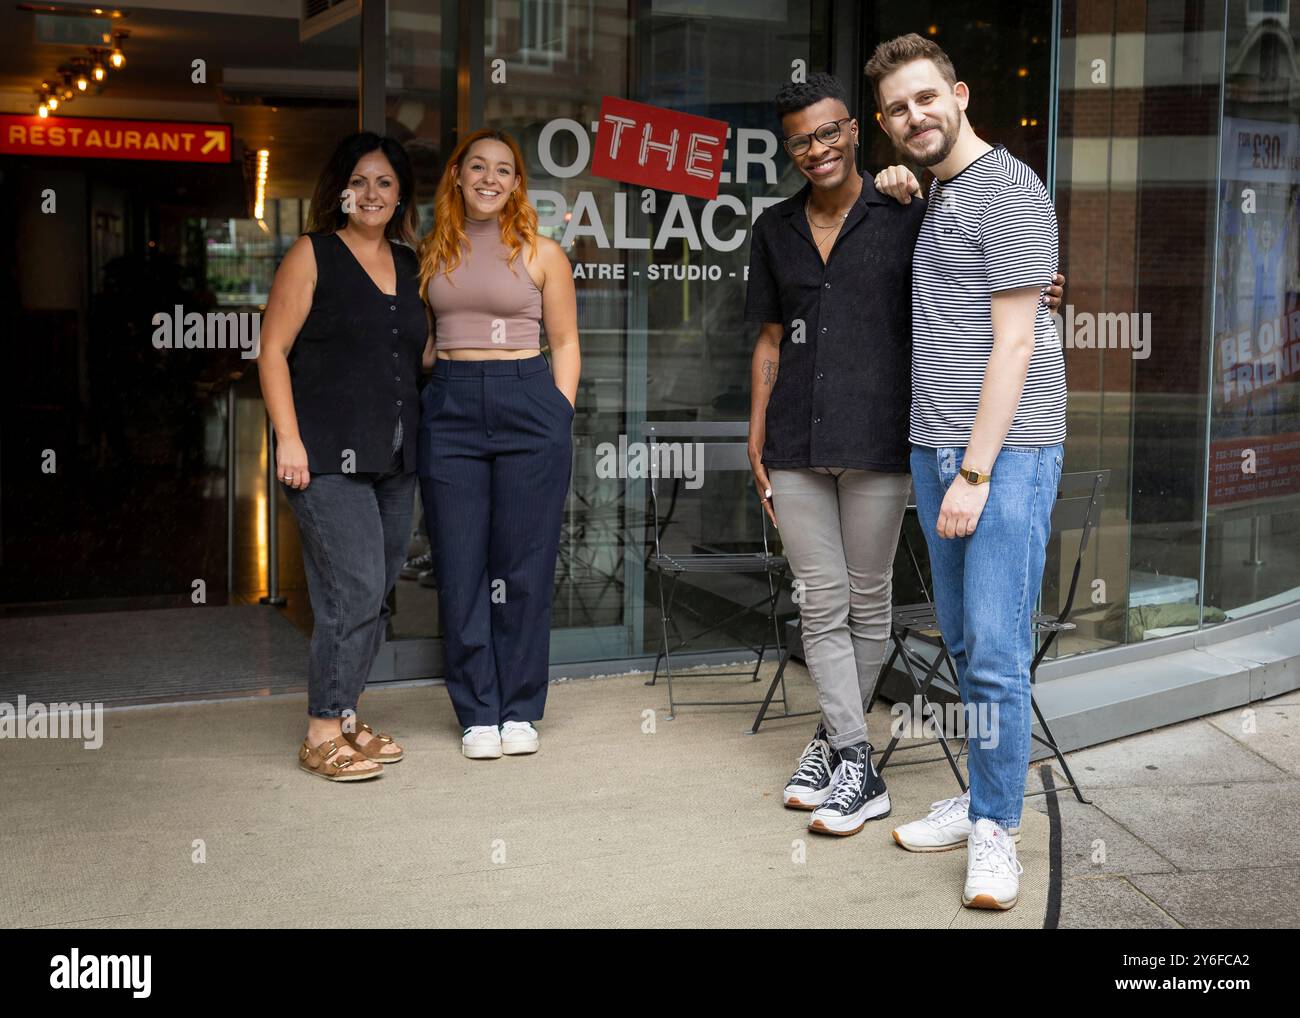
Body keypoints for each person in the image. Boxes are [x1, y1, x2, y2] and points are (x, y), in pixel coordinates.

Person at [747, 73, 1065, 838]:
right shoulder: (789, 225)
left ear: (857, 130)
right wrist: (754, 431)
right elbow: (766, 337)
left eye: (830, 132)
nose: (816, 149)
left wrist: (1043, 291)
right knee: (838, 607)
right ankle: (852, 753)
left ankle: (968, 812)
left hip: (913, 444)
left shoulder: (910, 207)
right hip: (833, 438)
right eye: (800, 139)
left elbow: (1001, 296)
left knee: (916, 619)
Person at [870, 33, 1067, 911]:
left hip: (1004, 455)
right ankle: (983, 798)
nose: (914, 116)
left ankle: (999, 832)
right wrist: (893, 187)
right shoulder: (939, 193)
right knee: (961, 640)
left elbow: (1017, 339)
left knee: (995, 650)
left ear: (959, 94)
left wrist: (976, 472)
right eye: (896, 110)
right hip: (934, 447)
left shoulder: (1011, 189)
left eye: (925, 99)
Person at [258, 132, 428, 782]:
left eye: (385, 182)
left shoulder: (411, 264)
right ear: (341, 190)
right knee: (352, 589)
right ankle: (322, 730)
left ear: (400, 194)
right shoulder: (313, 254)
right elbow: (272, 350)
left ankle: (348, 719)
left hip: (394, 457)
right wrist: (289, 439)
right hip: (324, 457)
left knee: (375, 593)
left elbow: (418, 356)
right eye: (361, 181)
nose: (373, 193)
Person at [417, 128, 579, 760]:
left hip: (527, 399)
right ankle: (476, 710)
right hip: (452, 405)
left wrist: (557, 413)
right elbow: (429, 336)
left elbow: (565, 343)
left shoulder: (542, 253)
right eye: (477, 167)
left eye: (503, 170)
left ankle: (519, 708)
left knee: (524, 566)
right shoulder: (432, 251)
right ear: (457, 176)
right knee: (459, 566)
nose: (489, 178)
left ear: (517, 184)